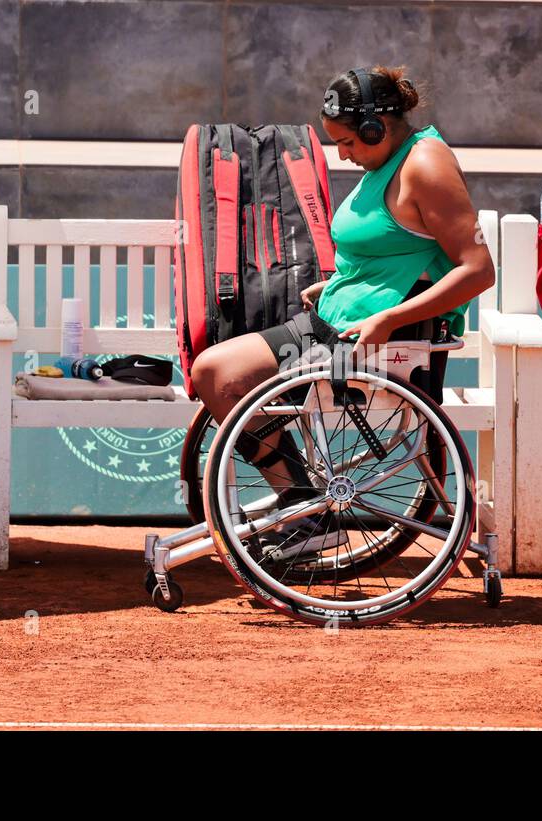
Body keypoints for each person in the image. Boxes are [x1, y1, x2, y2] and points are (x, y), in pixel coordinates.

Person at [189, 64, 495, 557]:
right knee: (211, 371)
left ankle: (301, 504)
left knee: (217, 373)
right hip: (334, 323)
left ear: (377, 128)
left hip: (372, 341)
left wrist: (388, 317)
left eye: (350, 142)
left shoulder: (425, 166)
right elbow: (396, 250)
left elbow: (478, 270)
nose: (343, 155)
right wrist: (337, 282)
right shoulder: (388, 165)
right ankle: (300, 497)